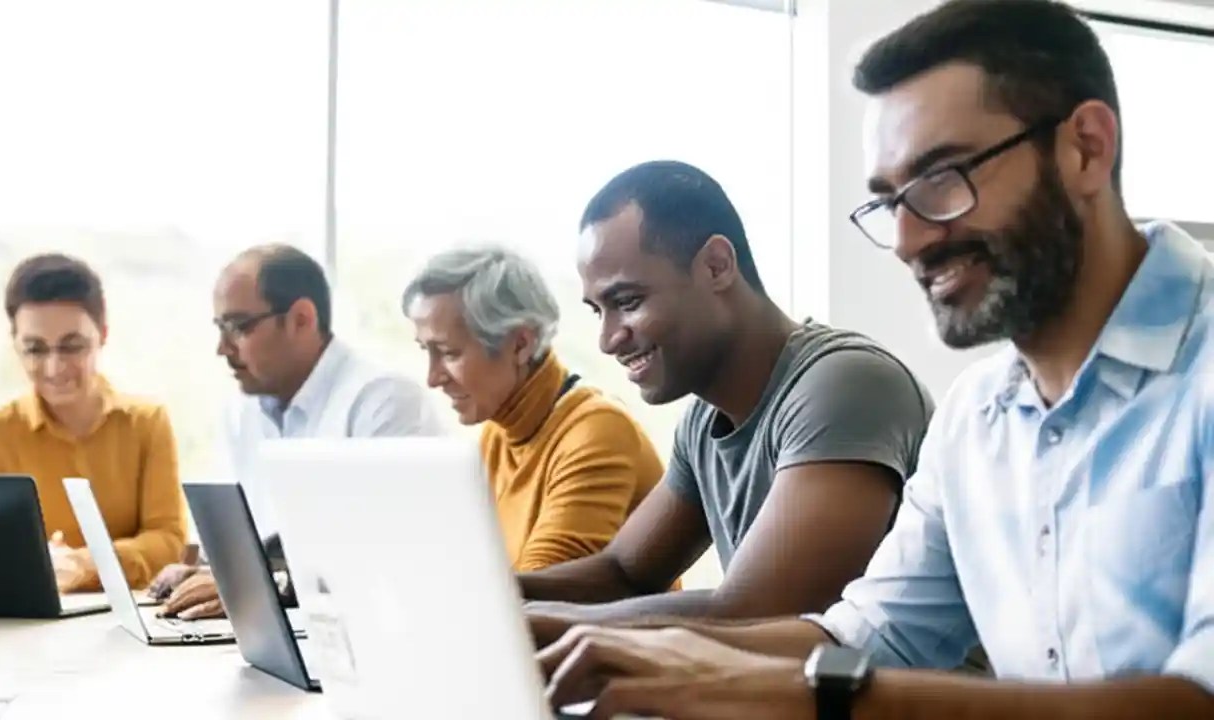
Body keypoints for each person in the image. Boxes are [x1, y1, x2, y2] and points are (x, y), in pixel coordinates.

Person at [534, 2, 1214, 718]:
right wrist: (594, 645)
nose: (909, 240)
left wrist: (774, 687)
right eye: (891, 203)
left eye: (943, 179)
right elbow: (866, 634)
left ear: (1085, 147)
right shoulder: (976, 420)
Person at [520, 160, 934, 648]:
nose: (608, 339)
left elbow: (754, 615)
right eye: (598, 311)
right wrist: (490, 593)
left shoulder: (847, 383)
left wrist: (527, 625)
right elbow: (625, 571)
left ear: (717, 265)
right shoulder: (703, 419)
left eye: (628, 301)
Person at [151, 244, 443, 618]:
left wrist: (264, 587)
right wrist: (203, 577)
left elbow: (391, 560)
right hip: (272, 635)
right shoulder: (242, 411)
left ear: (302, 319)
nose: (222, 348)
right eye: (220, 328)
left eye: (238, 327)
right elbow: (244, 547)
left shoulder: (384, 402)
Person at [403, 245, 664, 571]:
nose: (432, 377)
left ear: (520, 344)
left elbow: (539, 593)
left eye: (449, 352)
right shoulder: (496, 436)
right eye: (425, 351)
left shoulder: (598, 433)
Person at [0, 253, 185, 592]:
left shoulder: (147, 424)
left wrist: (83, 564)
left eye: (72, 346)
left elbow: (167, 540)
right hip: (21, 623)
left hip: (128, 624)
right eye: (35, 349)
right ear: (15, 343)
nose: (54, 368)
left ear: (102, 334)